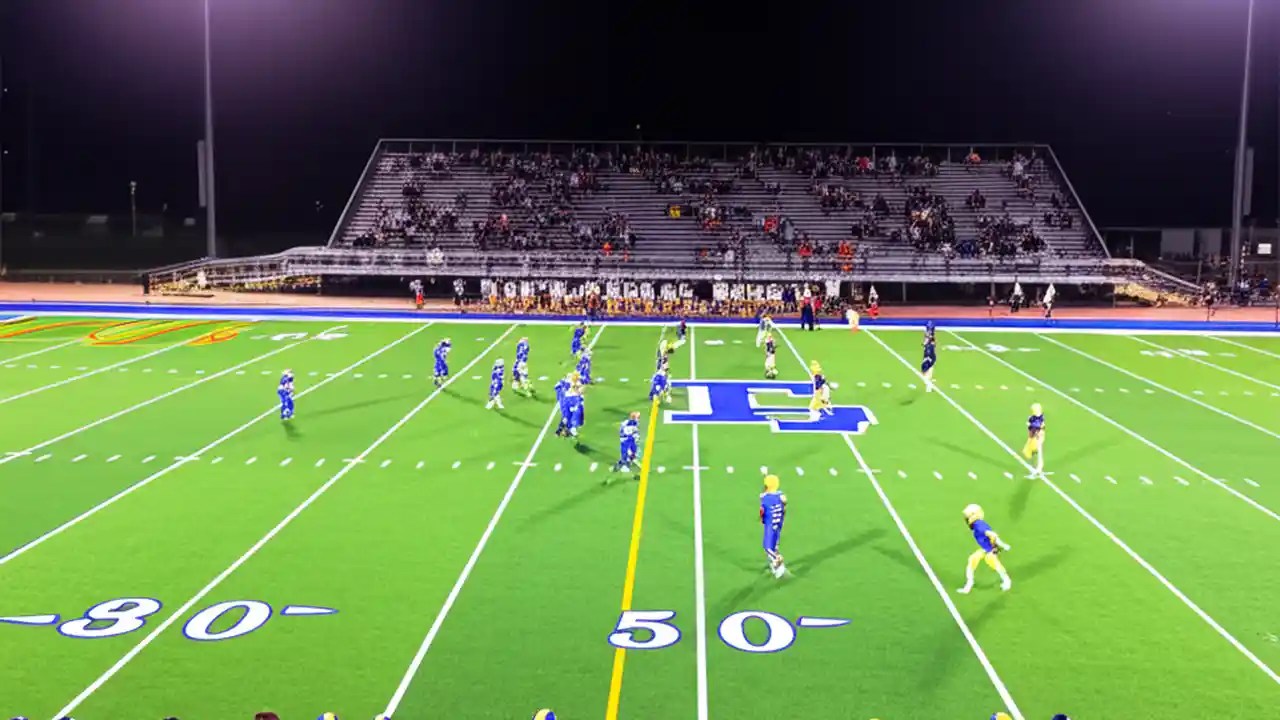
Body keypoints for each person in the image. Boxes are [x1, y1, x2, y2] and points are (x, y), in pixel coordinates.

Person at [957, 504, 1012, 594]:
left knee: (994, 564)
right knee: (973, 560)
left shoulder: (978, 525)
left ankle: (1007, 581)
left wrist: (996, 546)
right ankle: (969, 584)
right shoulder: (977, 524)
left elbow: (992, 534)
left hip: (988, 549)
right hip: (985, 549)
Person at [760, 474, 788, 578]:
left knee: (767, 547)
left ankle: (778, 560)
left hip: (770, 522)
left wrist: (763, 520)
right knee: (775, 545)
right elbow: (784, 506)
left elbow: (762, 511)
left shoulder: (764, 498)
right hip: (779, 521)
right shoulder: (781, 495)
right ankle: (775, 564)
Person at [1022, 402, 1045, 477]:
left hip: (1037, 437)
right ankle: (1038, 467)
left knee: (1036, 452)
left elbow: (1035, 429)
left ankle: (1038, 468)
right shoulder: (1037, 418)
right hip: (1037, 437)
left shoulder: (1036, 419)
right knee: (1036, 452)